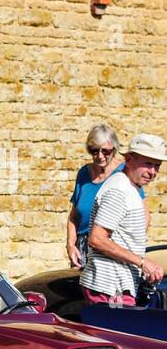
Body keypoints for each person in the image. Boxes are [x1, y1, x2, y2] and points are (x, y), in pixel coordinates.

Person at [81, 132, 165, 307]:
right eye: (148, 164)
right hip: (108, 286)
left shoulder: (130, 187)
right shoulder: (118, 190)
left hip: (117, 284)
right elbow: (97, 239)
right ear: (129, 160)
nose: (152, 172)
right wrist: (143, 263)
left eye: (157, 166)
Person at [68, 124, 133, 268]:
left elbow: (143, 215)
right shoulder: (84, 174)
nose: (100, 156)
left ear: (114, 149)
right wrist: (71, 245)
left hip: (112, 246)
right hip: (83, 248)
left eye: (105, 151)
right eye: (94, 151)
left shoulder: (125, 174)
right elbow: (74, 217)